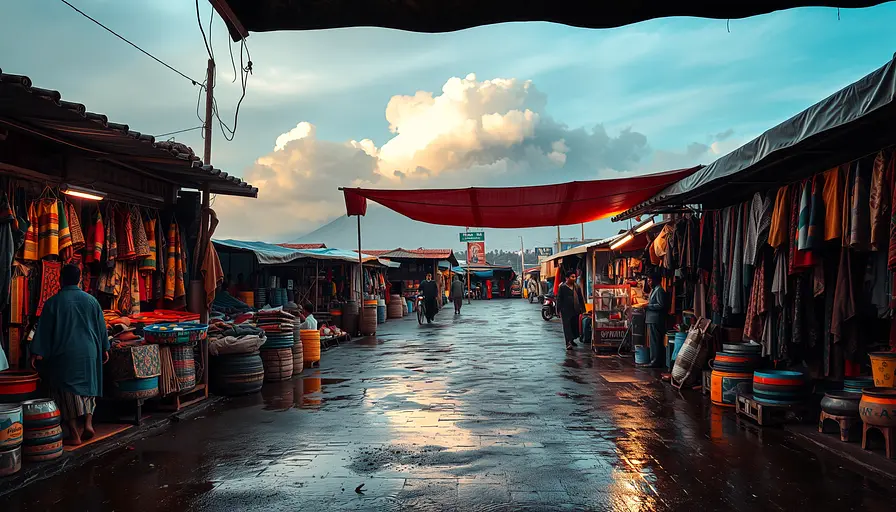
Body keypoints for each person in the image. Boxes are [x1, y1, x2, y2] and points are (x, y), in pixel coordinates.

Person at [30, 264, 109, 445]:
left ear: (61, 279)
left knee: (65, 393)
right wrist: (105, 347)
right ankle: (88, 423)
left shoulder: (53, 302)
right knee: (89, 389)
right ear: (79, 279)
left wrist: (36, 352)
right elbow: (101, 327)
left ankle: (74, 433)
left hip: (65, 353)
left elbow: (43, 331)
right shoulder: (91, 301)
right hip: (89, 351)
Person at [645, 273, 668, 367]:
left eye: (650, 280)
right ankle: (654, 360)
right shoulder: (654, 290)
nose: (648, 282)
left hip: (655, 319)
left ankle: (655, 361)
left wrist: (648, 306)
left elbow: (661, 305)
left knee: (655, 341)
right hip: (652, 319)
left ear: (655, 280)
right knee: (654, 341)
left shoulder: (659, 290)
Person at [557, 271, 581, 350]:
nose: (574, 278)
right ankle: (568, 343)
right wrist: (558, 310)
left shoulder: (577, 287)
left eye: (574, 277)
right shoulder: (563, 287)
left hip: (575, 309)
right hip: (565, 310)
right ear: (567, 278)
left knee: (574, 326)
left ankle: (572, 340)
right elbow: (559, 299)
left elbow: (581, 298)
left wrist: (583, 309)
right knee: (567, 326)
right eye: (572, 277)